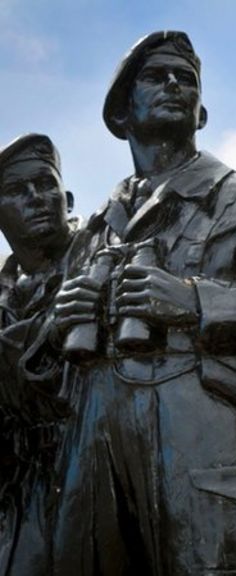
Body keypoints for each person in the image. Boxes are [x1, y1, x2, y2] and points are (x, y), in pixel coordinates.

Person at [50, 31, 236, 575]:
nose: (175, 84)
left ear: (201, 114)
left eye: (188, 79)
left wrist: (196, 301)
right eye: (156, 77)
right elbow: (46, 361)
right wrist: (62, 322)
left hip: (204, 442)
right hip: (98, 455)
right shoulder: (95, 232)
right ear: (122, 114)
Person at [0, 133, 78, 576]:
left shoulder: (101, 259)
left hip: (93, 469)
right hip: (20, 494)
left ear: (66, 196)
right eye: (17, 191)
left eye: (45, 185)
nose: (37, 199)